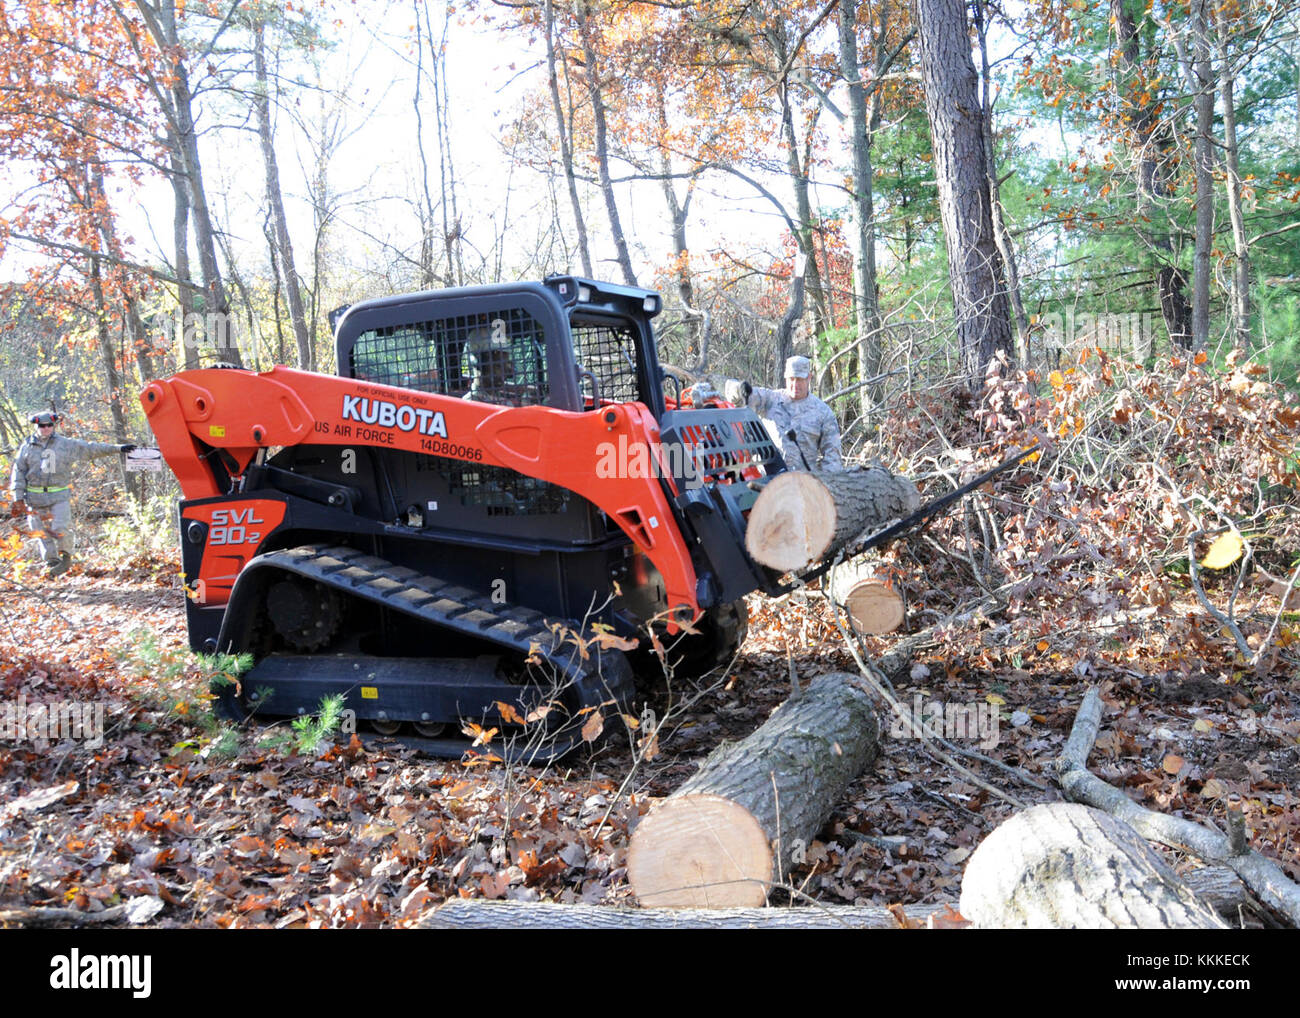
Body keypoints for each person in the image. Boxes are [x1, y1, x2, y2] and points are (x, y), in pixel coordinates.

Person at [8, 411, 134, 576]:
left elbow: (90, 449)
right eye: (42, 426)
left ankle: (66, 558)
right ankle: (51, 564)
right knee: (41, 533)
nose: (45, 429)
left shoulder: (65, 444)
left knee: (61, 528)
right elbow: (18, 473)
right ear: (36, 426)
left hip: (58, 497)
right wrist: (18, 498)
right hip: (35, 499)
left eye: (49, 425)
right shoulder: (26, 447)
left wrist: (118, 448)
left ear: (54, 426)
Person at [725, 355, 843, 471]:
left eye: (800, 379)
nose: (795, 384)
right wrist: (738, 389)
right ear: (785, 378)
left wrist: (825, 485)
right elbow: (738, 398)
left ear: (809, 378)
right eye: (791, 379)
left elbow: (833, 459)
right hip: (768, 480)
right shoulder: (770, 399)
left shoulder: (823, 412)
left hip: (803, 482)